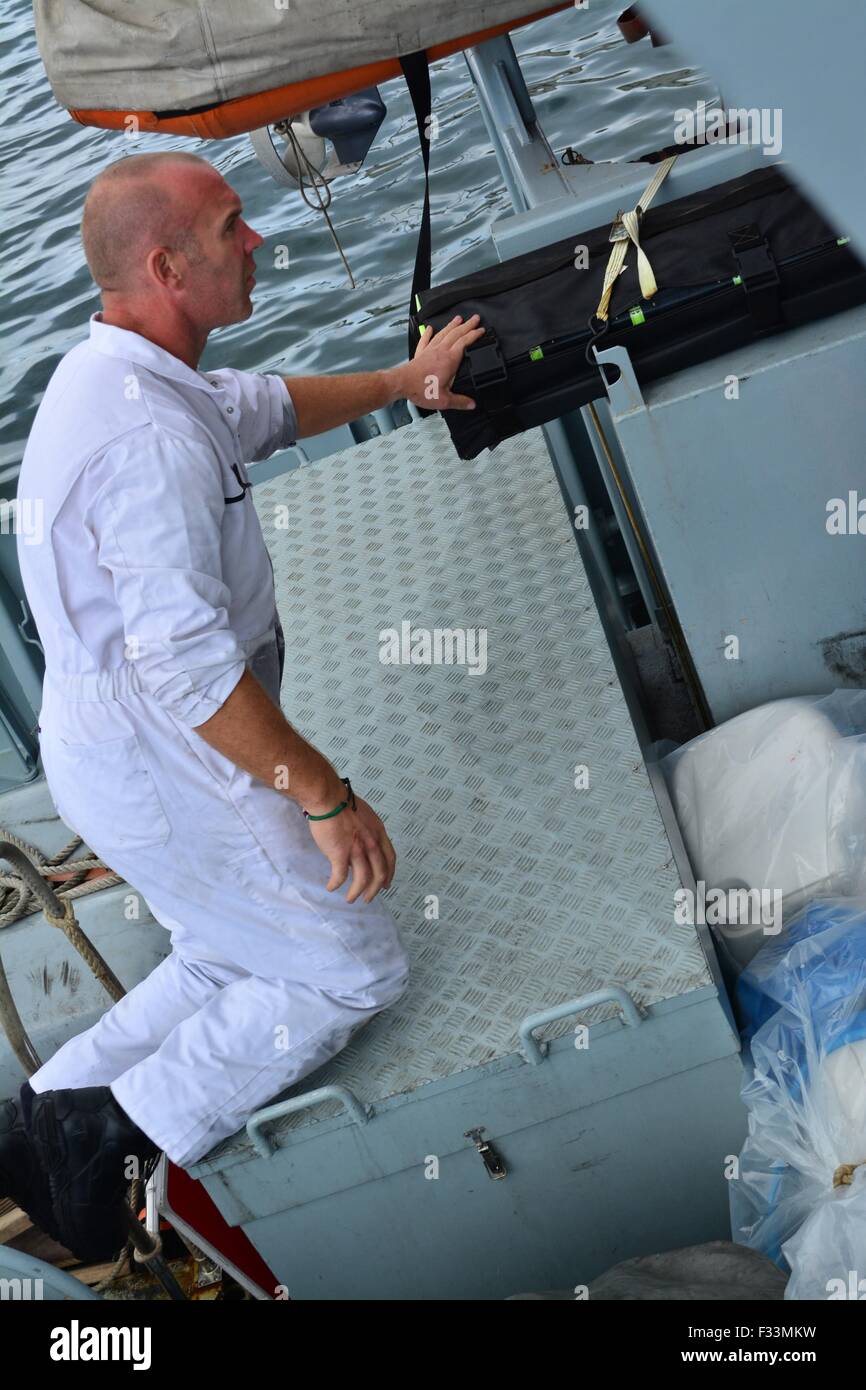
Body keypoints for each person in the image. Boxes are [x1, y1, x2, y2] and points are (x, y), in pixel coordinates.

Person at [4, 150, 484, 1262]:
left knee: (227, 951)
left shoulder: (129, 372)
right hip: (165, 754)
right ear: (169, 266)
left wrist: (399, 383)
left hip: (111, 742)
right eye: (233, 228)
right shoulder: (147, 437)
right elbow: (184, 663)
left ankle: (35, 1118)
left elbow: (256, 407)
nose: (257, 240)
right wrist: (322, 794)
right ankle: (111, 1140)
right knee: (350, 967)